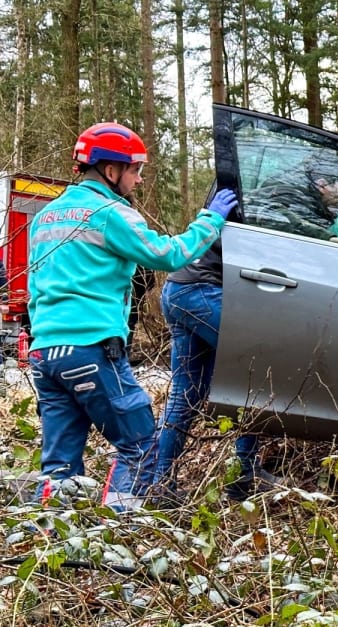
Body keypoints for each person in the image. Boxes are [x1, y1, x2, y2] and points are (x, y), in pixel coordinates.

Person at [26, 122, 234, 510]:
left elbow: (34, 285)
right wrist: (211, 220)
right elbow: (167, 255)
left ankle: (51, 534)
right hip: (91, 348)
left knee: (58, 465)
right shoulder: (110, 213)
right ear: (111, 170)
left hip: (46, 353)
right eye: (136, 170)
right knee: (139, 444)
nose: (138, 180)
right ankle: (120, 527)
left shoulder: (46, 216)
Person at [157, 150, 338, 503]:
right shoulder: (286, 194)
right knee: (262, 373)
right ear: (322, 182)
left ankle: (158, 482)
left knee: (187, 395)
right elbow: (280, 225)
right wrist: (328, 241)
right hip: (203, 291)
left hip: (182, 288)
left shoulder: (290, 193)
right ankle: (243, 473)